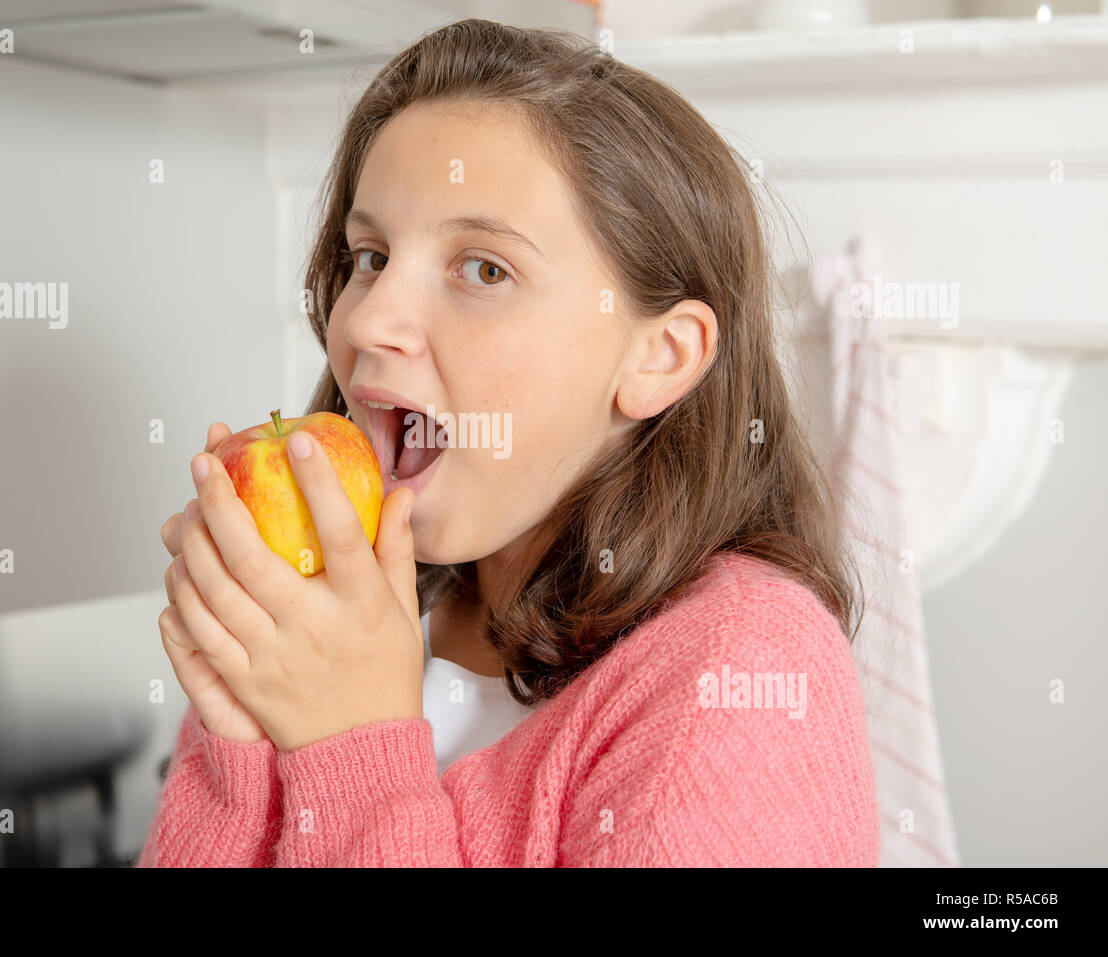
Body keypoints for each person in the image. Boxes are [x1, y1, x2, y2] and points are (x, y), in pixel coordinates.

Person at [142, 18, 878, 867]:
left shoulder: (740, 671)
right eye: (371, 255)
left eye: (483, 269)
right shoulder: (322, 622)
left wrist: (351, 747)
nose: (371, 319)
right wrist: (237, 754)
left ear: (658, 357)